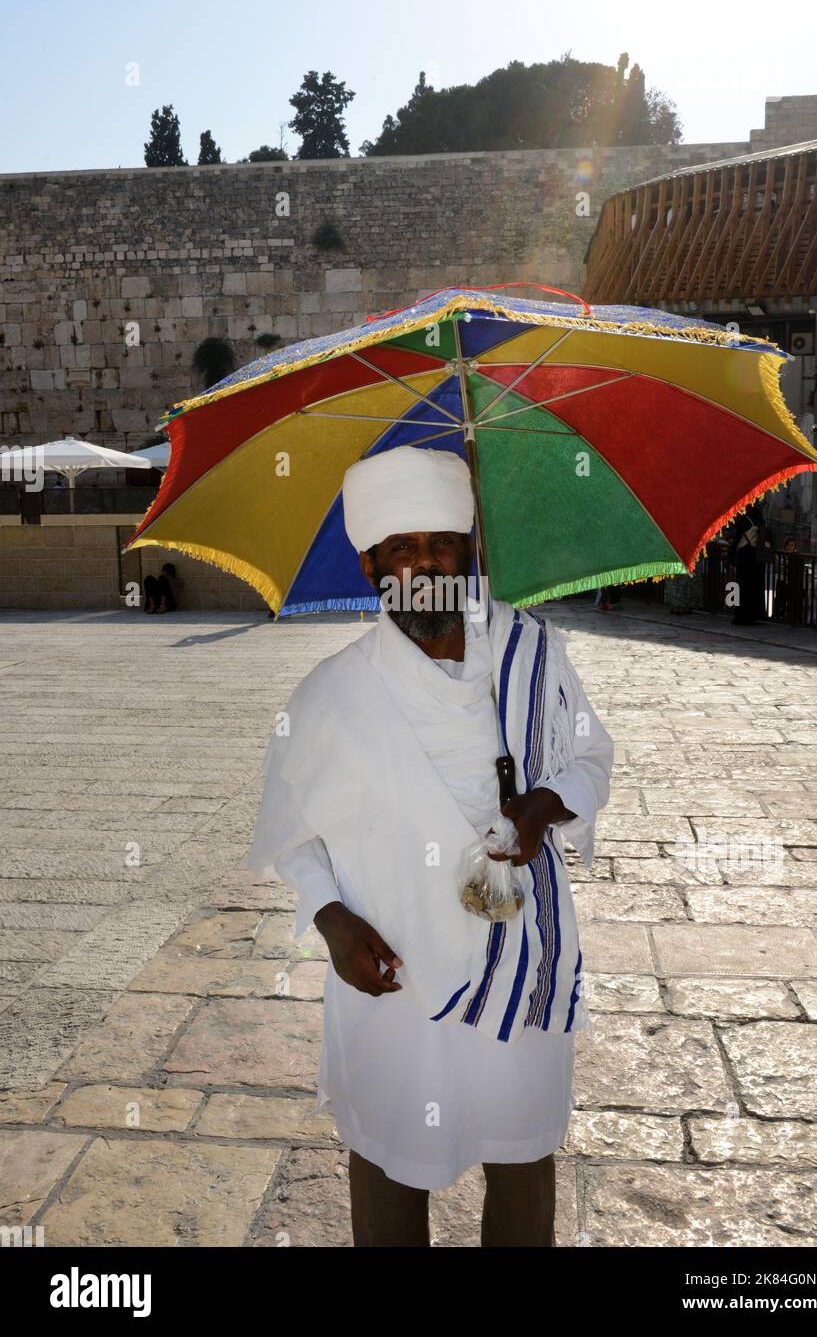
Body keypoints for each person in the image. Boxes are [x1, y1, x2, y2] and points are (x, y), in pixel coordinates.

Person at [247, 444, 614, 1247]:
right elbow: (295, 836)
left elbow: (590, 757)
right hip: (390, 977)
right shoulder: (330, 696)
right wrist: (331, 923)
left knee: (520, 1162)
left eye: (442, 541)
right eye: (401, 548)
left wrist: (543, 807)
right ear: (370, 561)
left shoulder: (530, 656)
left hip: (519, 961)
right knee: (386, 1168)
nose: (424, 564)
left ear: (470, 546)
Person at [728, 503, 771, 625]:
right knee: (756, 587)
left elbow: (737, 539)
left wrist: (730, 555)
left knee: (742, 587)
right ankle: (756, 615)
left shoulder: (745, 520)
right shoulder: (761, 520)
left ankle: (742, 616)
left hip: (746, 557)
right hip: (758, 558)